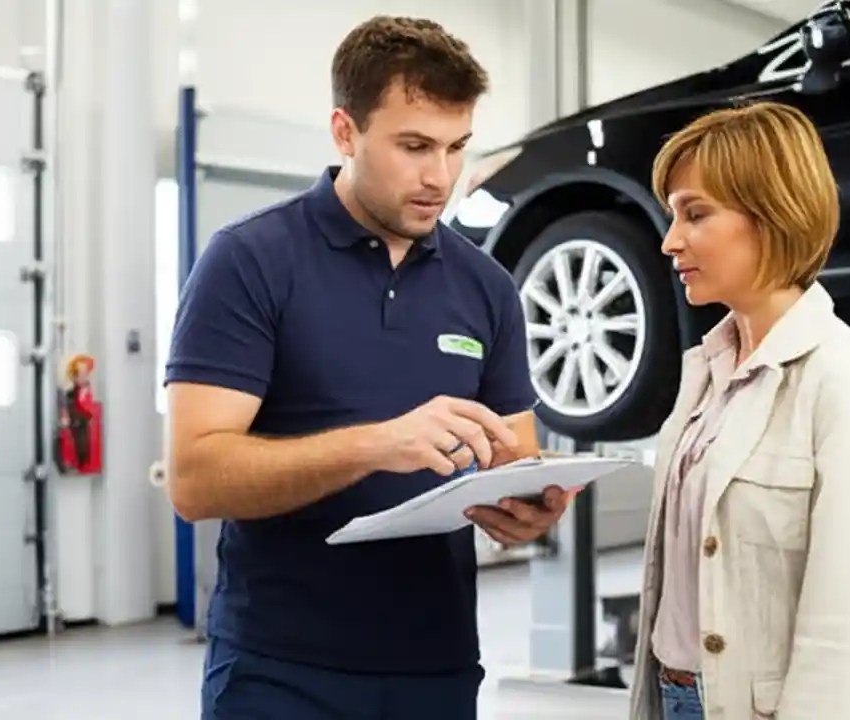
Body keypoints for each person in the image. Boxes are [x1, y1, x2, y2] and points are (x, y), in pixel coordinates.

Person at [164, 15, 577, 719]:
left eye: (455, 147)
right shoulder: (249, 261)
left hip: (436, 669)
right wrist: (376, 444)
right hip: (279, 670)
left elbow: (517, 451)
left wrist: (528, 507)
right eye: (414, 146)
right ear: (345, 132)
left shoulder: (486, 287)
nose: (439, 176)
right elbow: (195, 482)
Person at [627, 101, 850, 720]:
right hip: (679, 696)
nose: (670, 241)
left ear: (772, 217)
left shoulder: (842, 377)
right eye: (672, 216)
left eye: (695, 214)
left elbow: (846, 617)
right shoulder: (708, 370)